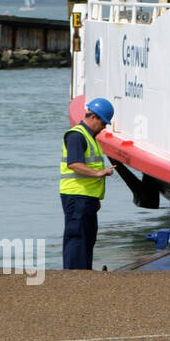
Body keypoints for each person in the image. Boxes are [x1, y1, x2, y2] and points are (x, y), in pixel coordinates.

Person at [60, 98, 116, 270]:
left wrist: (95, 198)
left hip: (86, 197)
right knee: (77, 237)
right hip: (77, 196)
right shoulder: (77, 135)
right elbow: (74, 164)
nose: (104, 127)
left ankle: (84, 274)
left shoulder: (89, 137)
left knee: (87, 237)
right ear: (94, 117)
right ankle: (74, 276)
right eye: (103, 123)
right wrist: (99, 173)